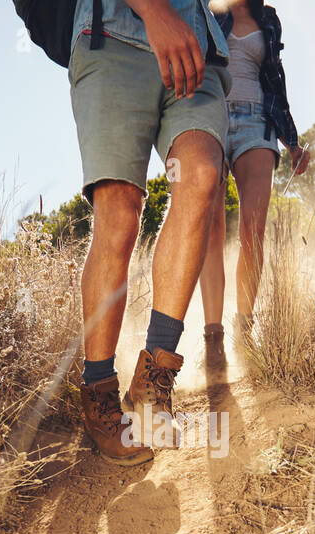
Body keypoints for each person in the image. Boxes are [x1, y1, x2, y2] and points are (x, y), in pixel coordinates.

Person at [69, 0, 231, 464]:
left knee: (199, 176)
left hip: (195, 48)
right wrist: (156, 13)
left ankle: (154, 379)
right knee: (119, 215)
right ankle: (98, 392)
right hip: (113, 40)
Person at [200, 0, 308, 354]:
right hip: (211, 119)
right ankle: (213, 340)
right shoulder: (210, 10)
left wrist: (291, 142)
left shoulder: (268, 18)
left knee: (253, 231)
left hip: (257, 123)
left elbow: (276, 79)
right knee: (211, 231)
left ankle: (244, 333)